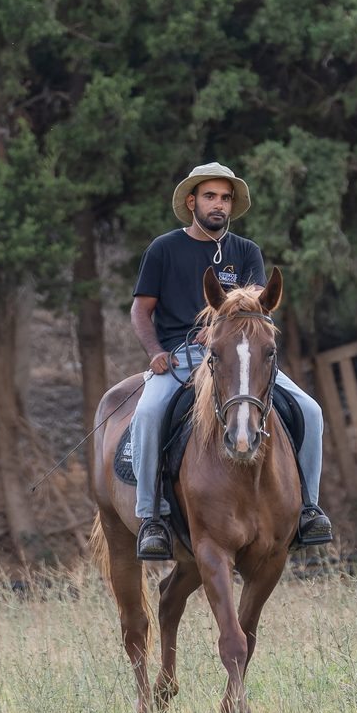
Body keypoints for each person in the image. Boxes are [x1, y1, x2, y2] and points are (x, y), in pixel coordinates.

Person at [129, 161, 334, 559]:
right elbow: (141, 310)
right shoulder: (163, 249)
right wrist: (155, 353)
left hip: (241, 358)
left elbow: (255, 305)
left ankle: (309, 508)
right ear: (192, 202)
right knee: (150, 412)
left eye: (225, 197)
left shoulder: (246, 251)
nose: (218, 204)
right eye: (210, 196)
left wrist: (225, 326)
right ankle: (151, 516)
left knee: (310, 410)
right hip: (181, 358)